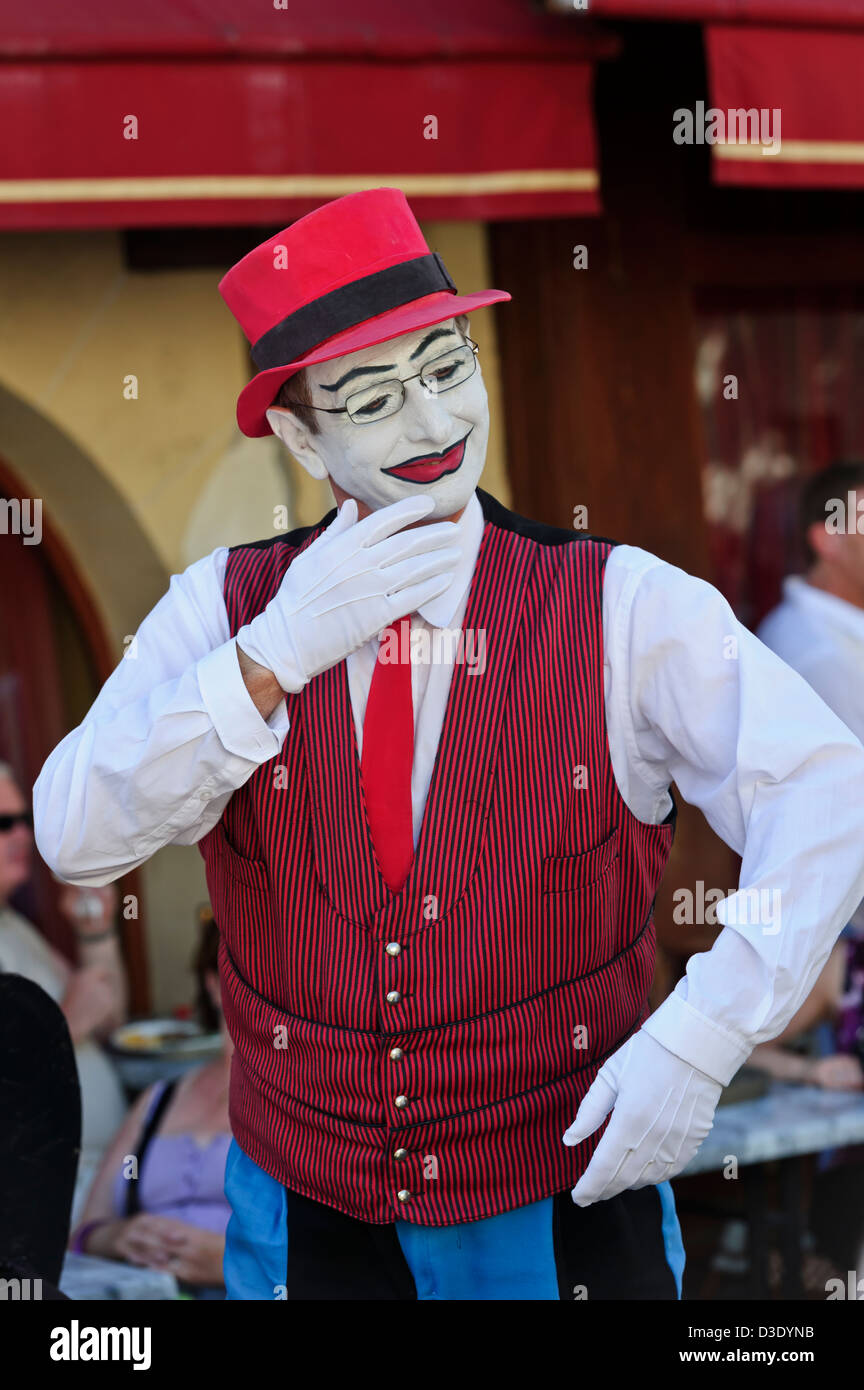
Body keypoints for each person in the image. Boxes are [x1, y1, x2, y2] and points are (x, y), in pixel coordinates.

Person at [33, 188, 864, 1302]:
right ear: (297, 432)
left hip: (562, 1206)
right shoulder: (218, 611)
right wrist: (272, 654)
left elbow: (829, 793)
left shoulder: (624, 602)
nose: (431, 426)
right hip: (300, 1206)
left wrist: (705, 1033)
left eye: (444, 368)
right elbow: (76, 833)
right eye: (372, 398)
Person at [69, 914, 231, 1298]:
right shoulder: (159, 1100)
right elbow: (84, 1233)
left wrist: (233, 1260)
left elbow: (346, 1258)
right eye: (239, 969)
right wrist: (119, 1236)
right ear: (212, 984)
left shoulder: (314, 1099)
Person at [0, 760, 127, 1151]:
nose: (23, 834)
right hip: (40, 1196)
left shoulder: (15, 926)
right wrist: (66, 1022)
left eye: (25, 819)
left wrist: (96, 932)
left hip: (96, 1176)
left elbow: (109, 1017)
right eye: (4, 824)